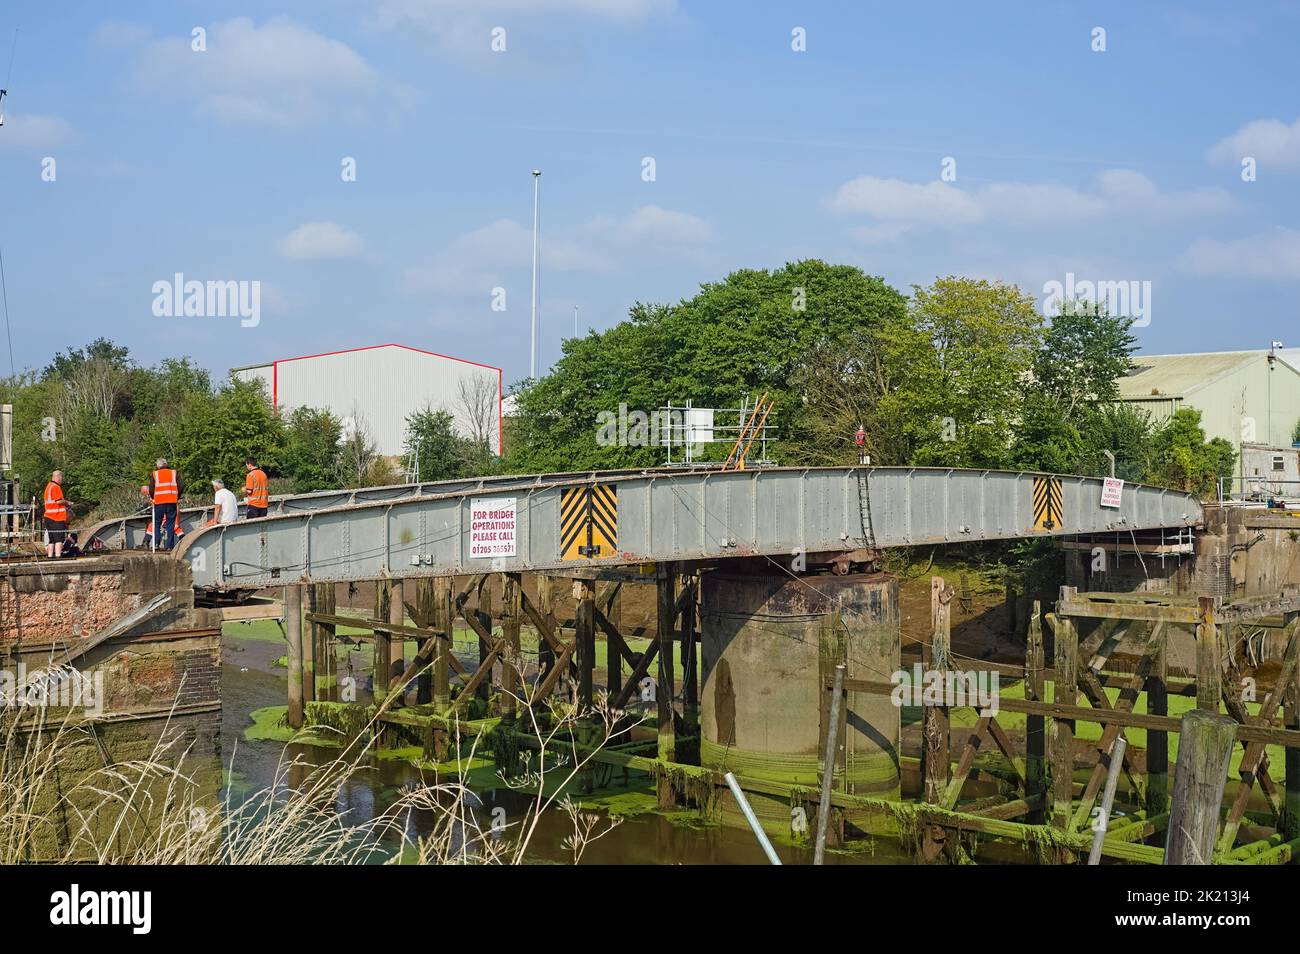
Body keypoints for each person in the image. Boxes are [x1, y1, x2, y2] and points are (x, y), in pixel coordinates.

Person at [148, 458, 182, 551]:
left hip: (159, 502)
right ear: (166, 464)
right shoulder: (174, 473)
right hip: (171, 501)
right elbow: (181, 486)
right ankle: (169, 546)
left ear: (158, 466)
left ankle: (156, 544)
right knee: (170, 524)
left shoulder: (155, 474)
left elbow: (151, 489)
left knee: (157, 523)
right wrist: (177, 496)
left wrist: (153, 498)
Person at [43, 470, 69, 559]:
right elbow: (59, 501)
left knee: (51, 539)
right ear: (58, 477)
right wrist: (67, 502)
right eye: (61, 478)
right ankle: (58, 556)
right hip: (56, 517)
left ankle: (50, 556)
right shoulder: (56, 487)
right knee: (59, 539)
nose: (62, 480)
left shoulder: (48, 487)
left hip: (48, 517)